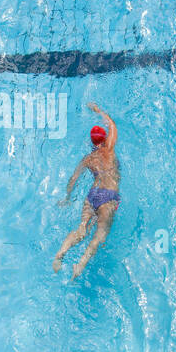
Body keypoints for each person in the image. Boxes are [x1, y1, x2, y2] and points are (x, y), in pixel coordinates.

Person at [53, 102, 120, 279]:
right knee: (99, 236)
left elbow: (73, 179)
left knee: (82, 229)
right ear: (104, 139)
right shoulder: (109, 150)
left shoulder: (88, 159)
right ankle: (80, 264)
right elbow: (112, 124)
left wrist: (68, 198)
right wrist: (98, 110)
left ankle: (61, 252)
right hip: (108, 196)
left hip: (92, 196)